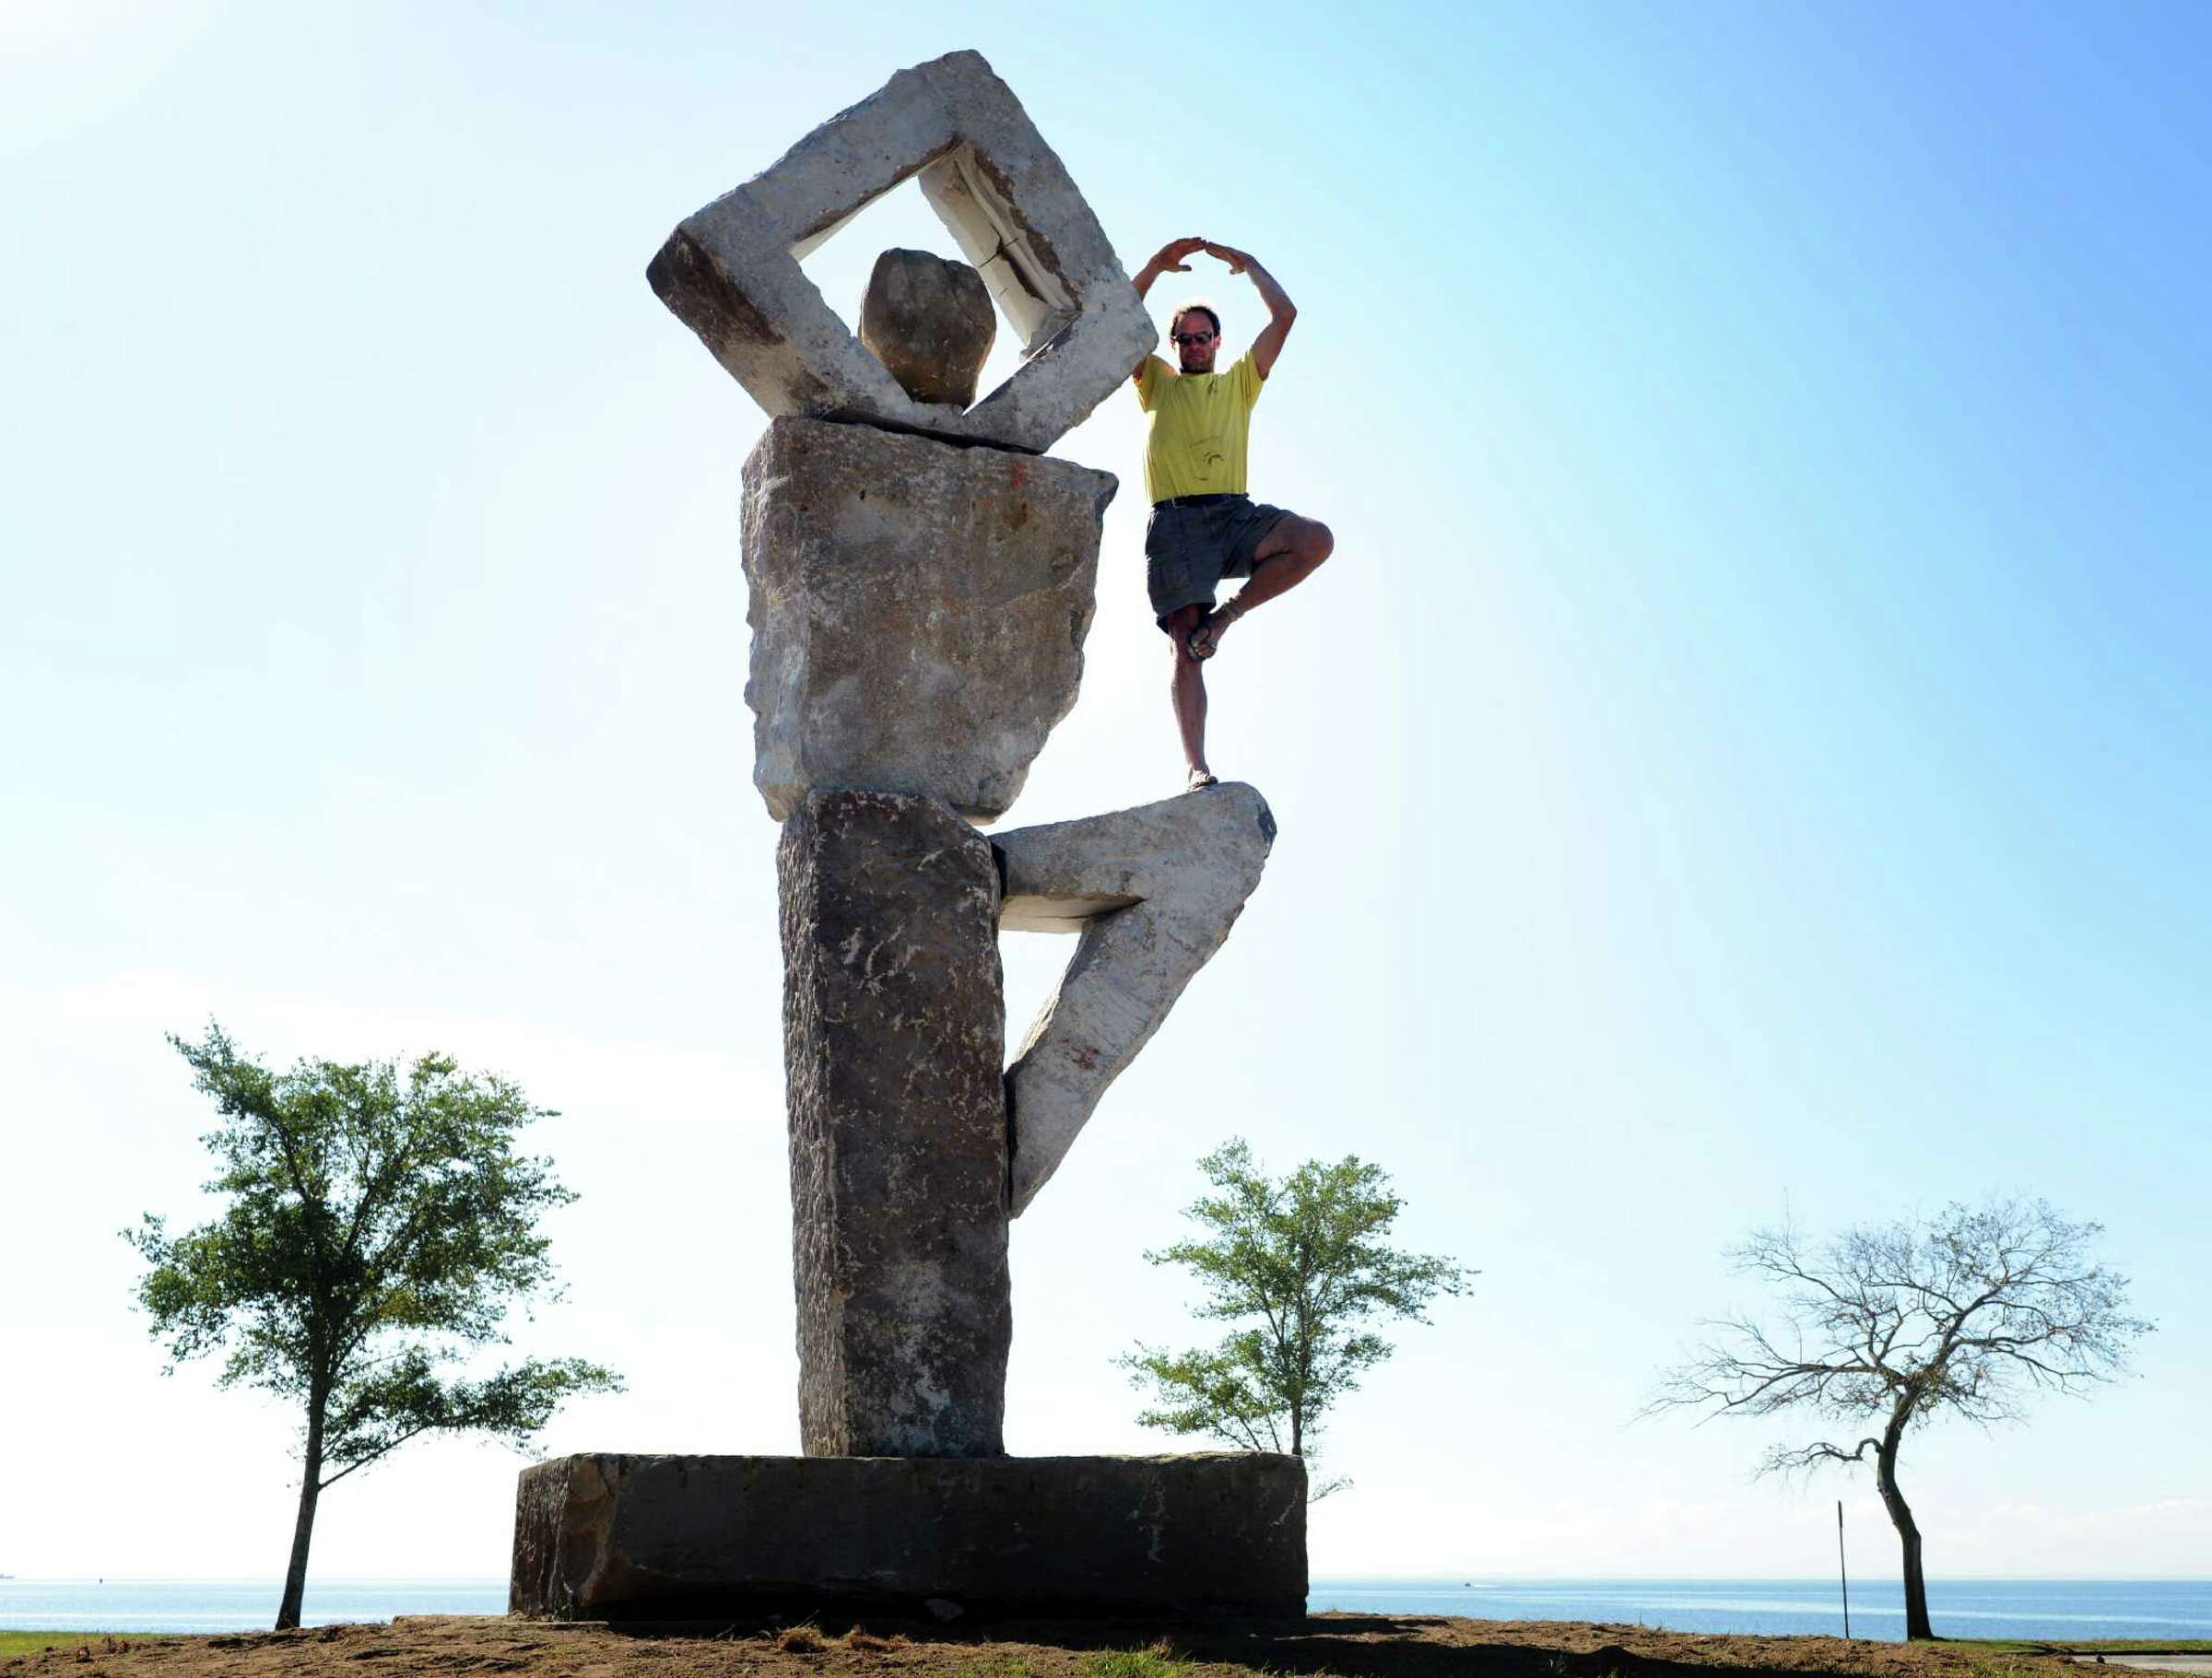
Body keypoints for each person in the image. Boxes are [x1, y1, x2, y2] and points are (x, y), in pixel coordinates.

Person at [1130, 236, 1334, 792]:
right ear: (1173, 344)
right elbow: (1115, 322)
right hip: (1176, 522)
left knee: (1314, 540)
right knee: (1185, 645)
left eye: (1203, 337)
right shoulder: (1157, 382)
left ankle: (1227, 618)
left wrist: (1249, 265)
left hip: (1233, 515)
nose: (1195, 345)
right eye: (1185, 338)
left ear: (1217, 341)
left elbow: (1285, 316)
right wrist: (1155, 267)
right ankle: (1196, 766)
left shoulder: (1240, 382)